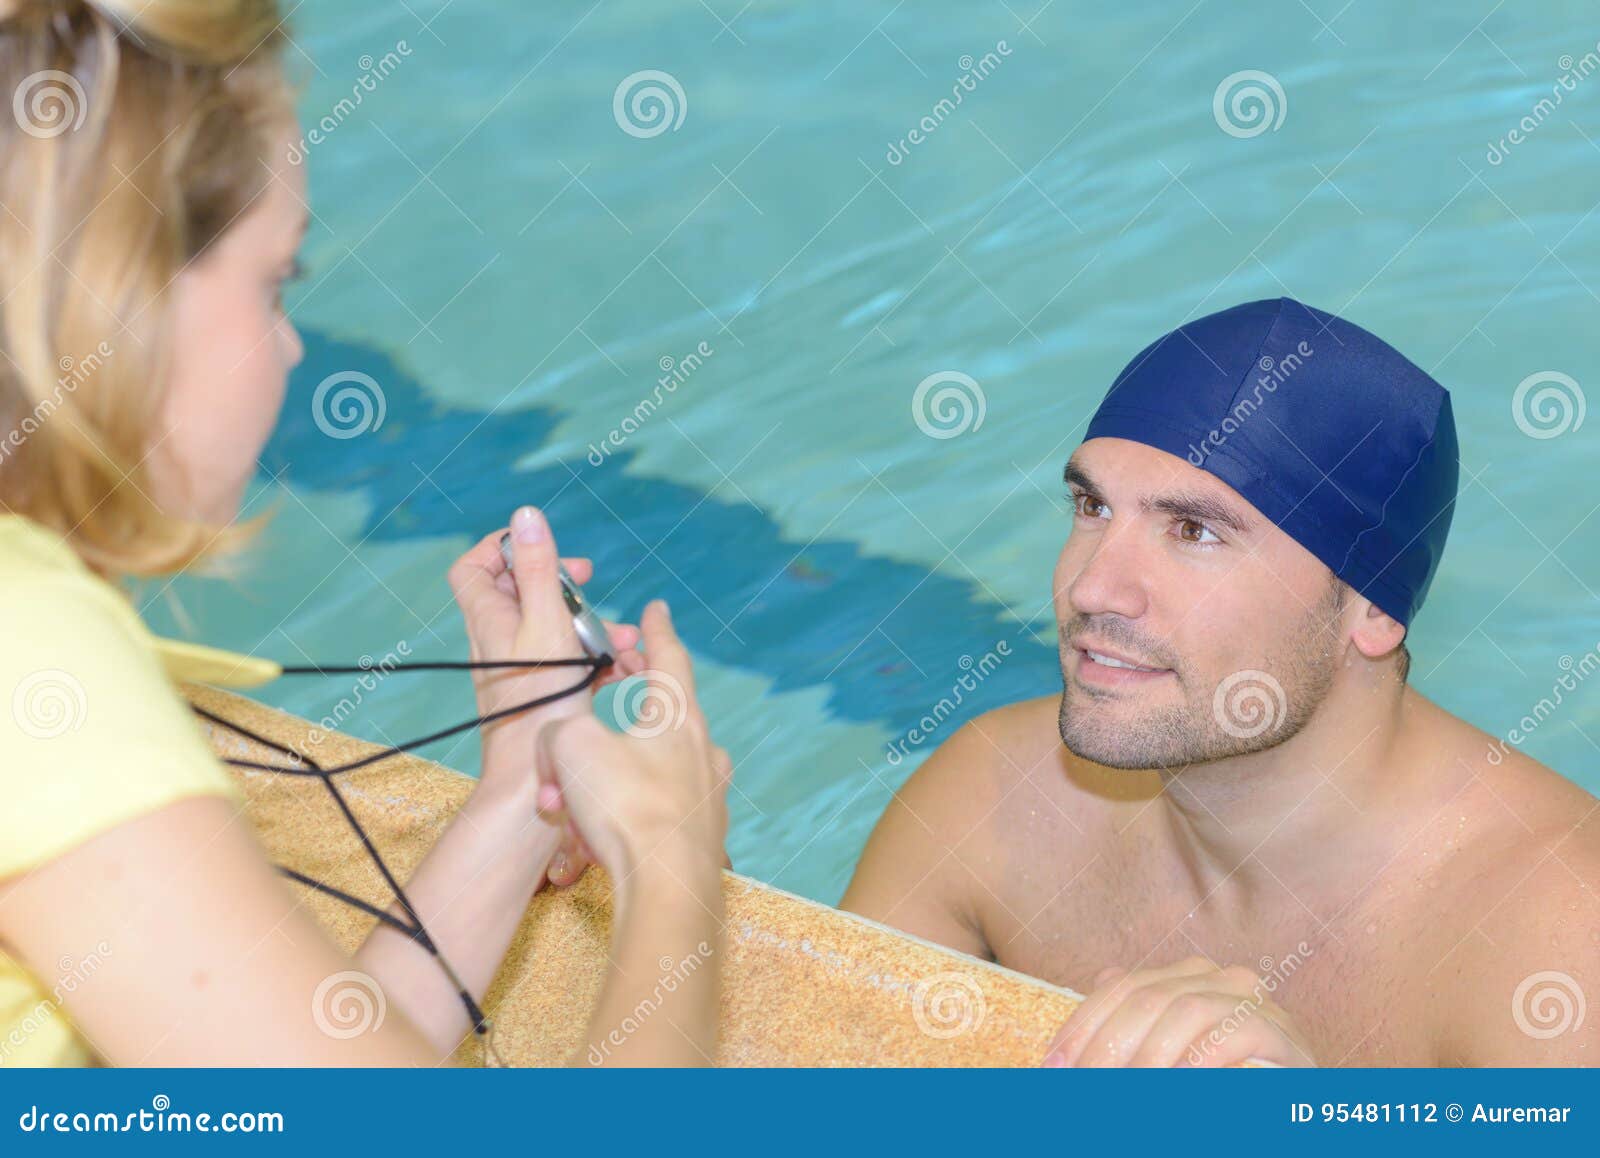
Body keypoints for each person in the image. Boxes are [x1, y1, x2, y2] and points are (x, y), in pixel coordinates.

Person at [0, 0, 729, 1067]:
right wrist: (671, 861)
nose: (292, 349)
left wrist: (524, 791)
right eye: (274, 282)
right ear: (121, 296)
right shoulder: (35, 653)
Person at [843, 296, 1600, 1067]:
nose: (1094, 588)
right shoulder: (991, 802)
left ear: (1370, 610)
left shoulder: (1556, 940)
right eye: (1093, 505)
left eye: (1195, 532)